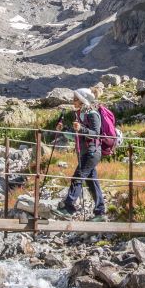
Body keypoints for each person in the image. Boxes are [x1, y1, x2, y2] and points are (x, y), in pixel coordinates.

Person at [53, 89, 107, 221]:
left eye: (76, 99)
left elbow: (96, 134)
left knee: (77, 178)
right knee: (92, 182)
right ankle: (100, 213)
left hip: (91, 152)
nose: (73, 101)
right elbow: (76, 136)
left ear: (83, 100)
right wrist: (64, 129)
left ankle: (68, 208)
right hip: (86, 152)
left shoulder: (92, 114)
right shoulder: (81, 115)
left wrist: (80, 128)